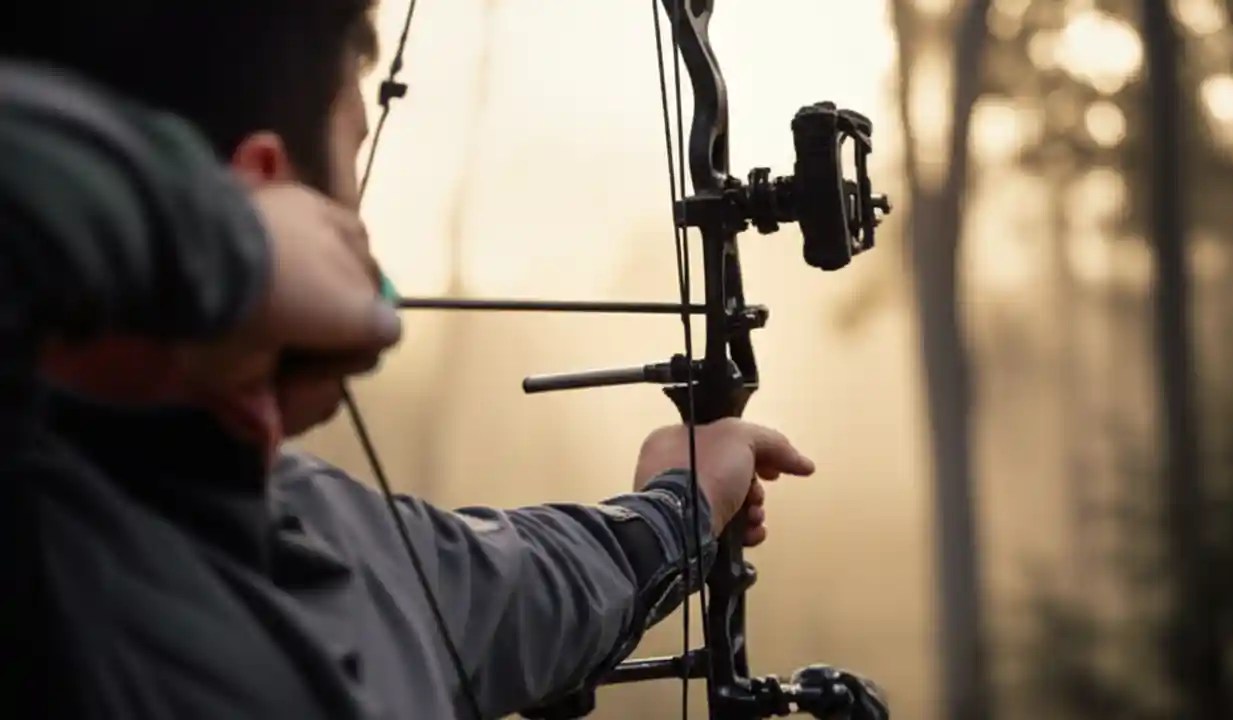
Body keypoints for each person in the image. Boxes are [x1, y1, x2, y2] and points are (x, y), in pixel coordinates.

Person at [1, 3, 816, 719]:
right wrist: (233, 250)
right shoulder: (52, 547)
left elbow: (527, 590)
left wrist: (684, 498)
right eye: (354, 150)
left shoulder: (318, 531)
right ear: (264, 185)